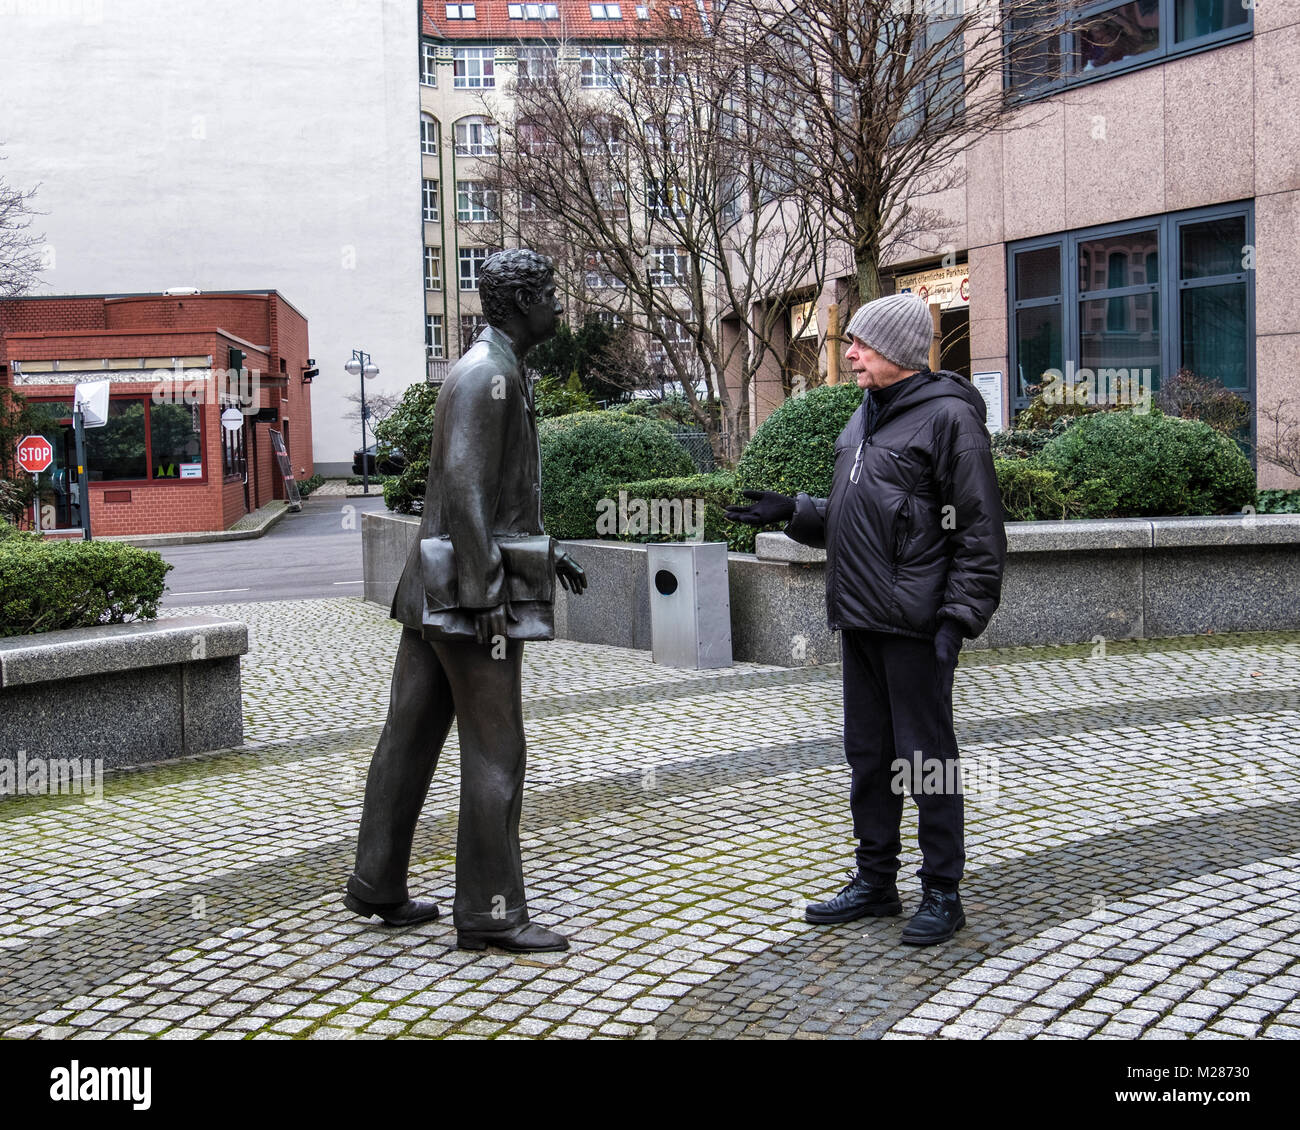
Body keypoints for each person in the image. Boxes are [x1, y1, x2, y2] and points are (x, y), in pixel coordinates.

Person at [726, 293, 1006, 945]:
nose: (848, 354)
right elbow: (867, 519)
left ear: (901, 354)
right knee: (869, 758)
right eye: (850, 342)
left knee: (926, 759)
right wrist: (795, 510)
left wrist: (956, 621)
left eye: (862, 345)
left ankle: (942, 891)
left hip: (917, 625)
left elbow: (980, 532)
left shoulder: (947, 421)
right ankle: (876, 882)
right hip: (860, 618)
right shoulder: (864, 418)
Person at [344, 249, 587, 953]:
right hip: (468, 598)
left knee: (410, 736)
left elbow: (477, 492)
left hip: (435, 589)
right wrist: (487, 600)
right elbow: (468, 490)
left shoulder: (492, 368)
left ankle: (376, 881)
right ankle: (490, 910)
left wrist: (547, 548)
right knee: (496, 753)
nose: (558, 305)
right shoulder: (489, 376)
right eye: (547, 292)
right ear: (516, 302)